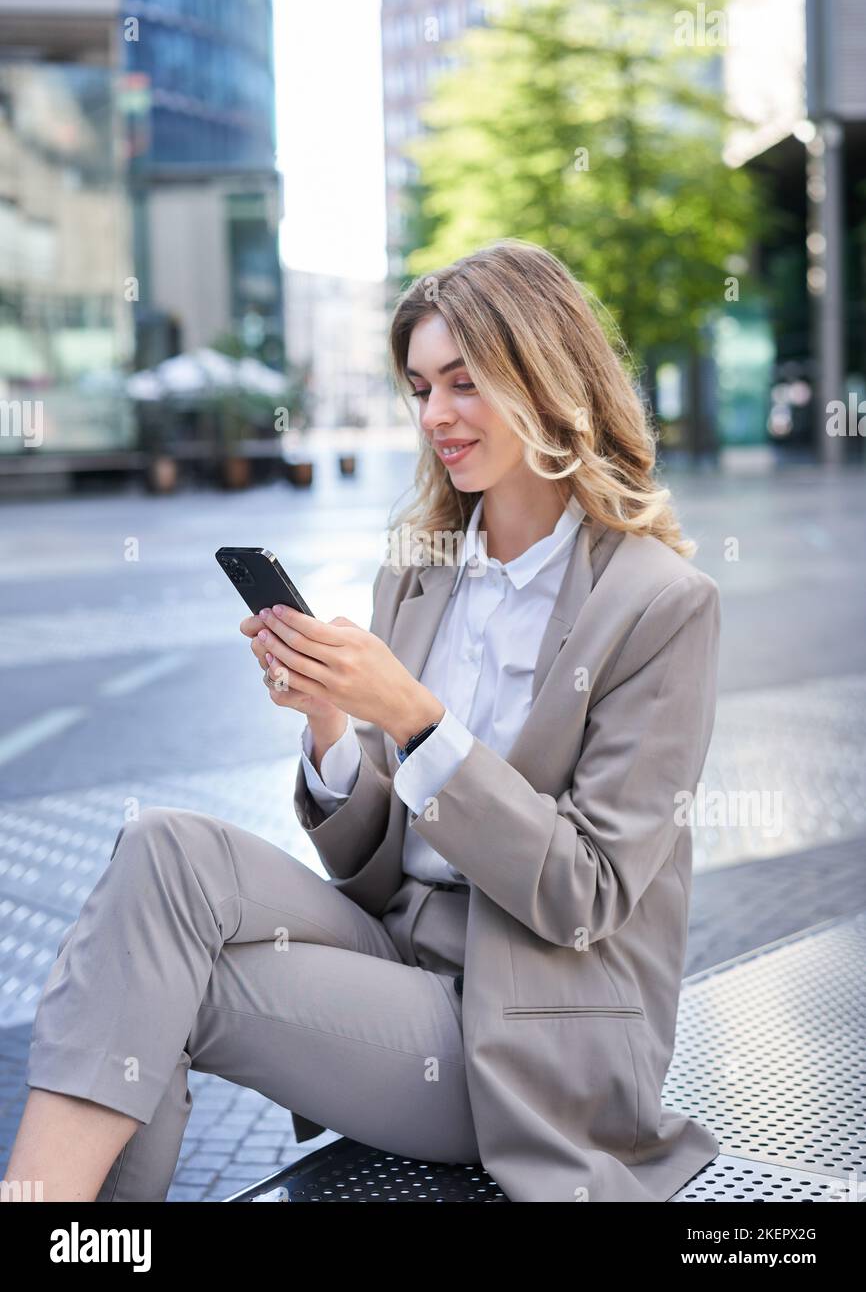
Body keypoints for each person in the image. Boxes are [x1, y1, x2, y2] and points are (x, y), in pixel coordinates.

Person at [4, 239, 720, 1202]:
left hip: (524, 1039)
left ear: (547, 380)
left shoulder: (658, 604)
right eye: (420, 387)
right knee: (162, 851)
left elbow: (584, 896)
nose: (435, 417)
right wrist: (335, 730)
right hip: (396, 960)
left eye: (465, 384)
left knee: (148, 989)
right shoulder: (418, 572)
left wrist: (421, 723)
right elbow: (374, 869)